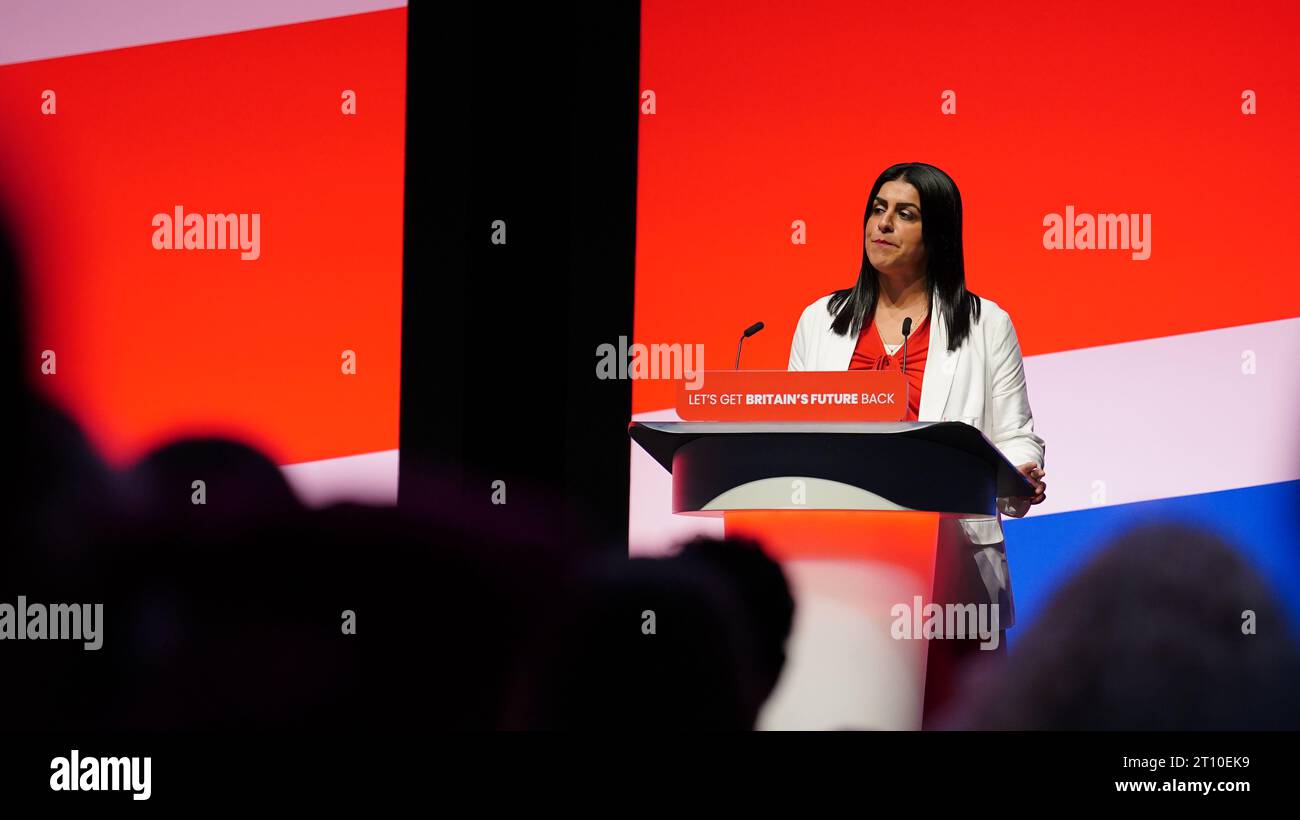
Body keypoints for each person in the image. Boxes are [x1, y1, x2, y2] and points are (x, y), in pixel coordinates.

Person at [788, 162, 1046, 516]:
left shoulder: (987, 324)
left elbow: (1014, 434)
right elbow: (792, 435)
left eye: (905, 214)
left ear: (937, 234)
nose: (884, 223)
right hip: (836, 530)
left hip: (945, 533)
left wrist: (1019, 471)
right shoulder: (820, 319)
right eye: (878, 209)